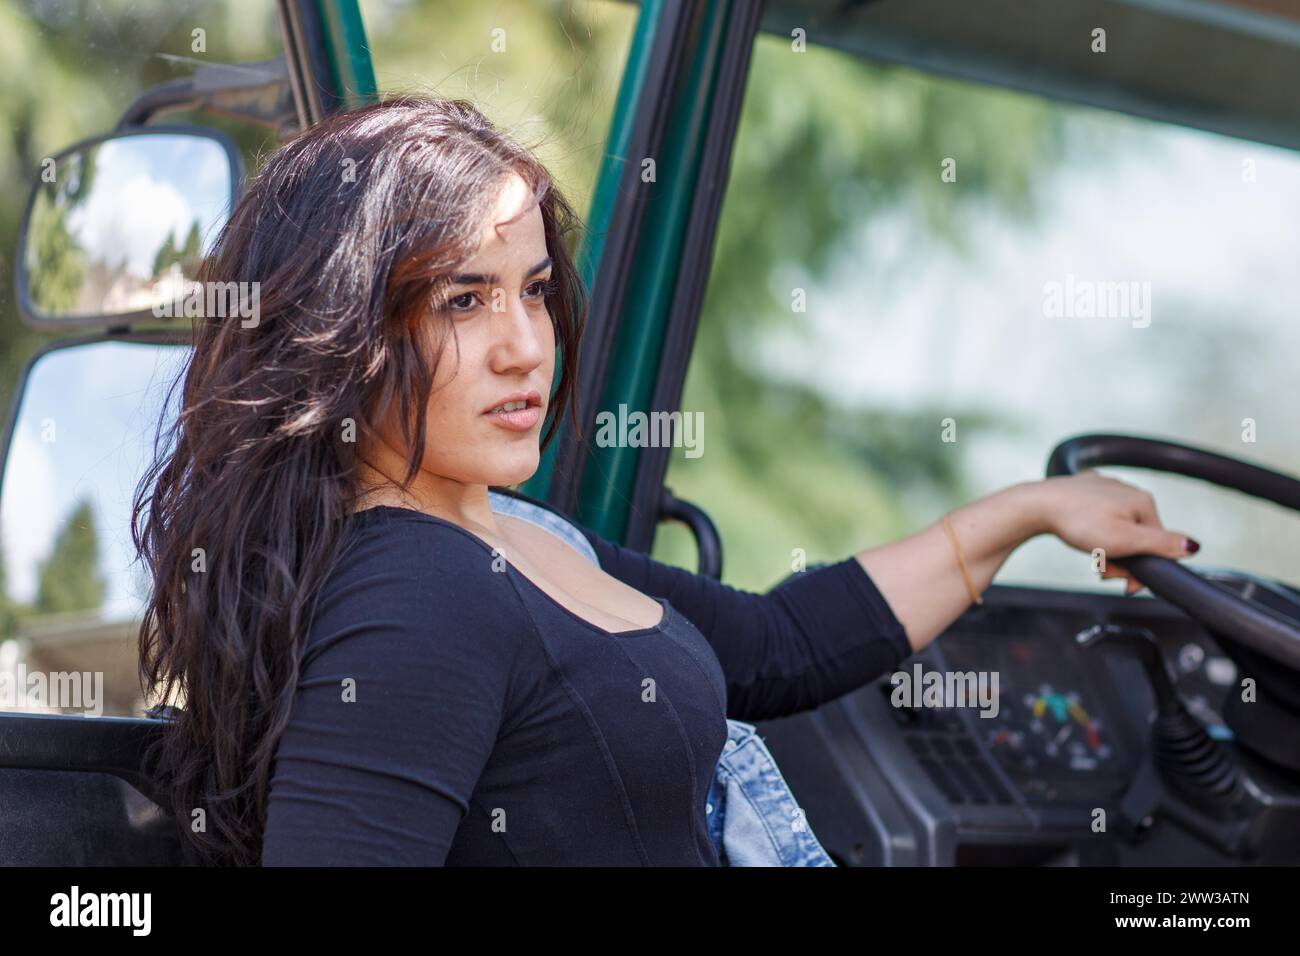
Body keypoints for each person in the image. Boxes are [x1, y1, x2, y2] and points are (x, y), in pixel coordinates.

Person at [132, 95, 1199, 866]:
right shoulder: (411, 593)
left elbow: (778, 647)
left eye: (534, 291)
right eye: (463, 301)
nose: (524, 347)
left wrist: (1023, 513)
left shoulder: (521, 533)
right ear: (347, 330)